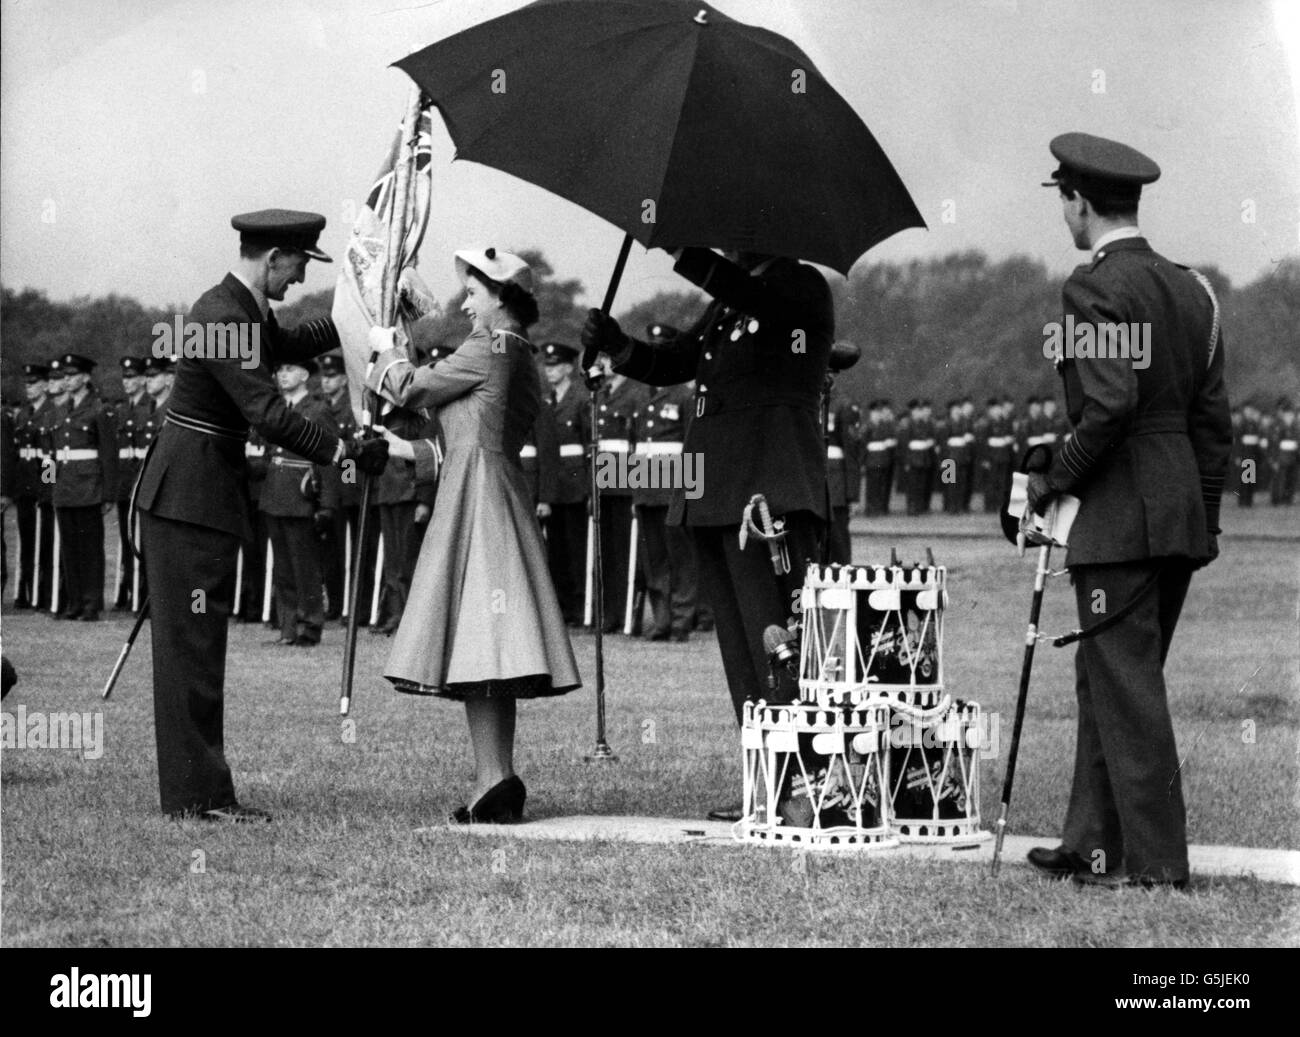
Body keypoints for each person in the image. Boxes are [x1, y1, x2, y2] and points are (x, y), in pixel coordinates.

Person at [134, 208, 389, 822]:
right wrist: (344, 449)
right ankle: (198, 797)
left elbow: (298, 342)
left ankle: (199, 791)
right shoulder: (223, 315)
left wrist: (370, 307)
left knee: (198, 646)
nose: (300, 278)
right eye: (300, 264)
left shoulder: (243, 310)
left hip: (196, 494)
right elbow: (268, 413)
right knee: (191, 651)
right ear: (273, 256)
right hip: (189, 499)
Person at [1026, 133, 1231, 889]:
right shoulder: (1192, 290)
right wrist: (1204, 520)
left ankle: (1157, 863)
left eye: (1063, 201)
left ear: (1079, 202)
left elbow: (1108, 408)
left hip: (1121, 517)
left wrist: (1052, 482)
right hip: (1176, 513)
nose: (1064, 215)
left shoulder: (1095, 288)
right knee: (1106, 675)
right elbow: (1213, 422)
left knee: (1127, 684)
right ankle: (1092, 841)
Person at [583, 245, 834, 821]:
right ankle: (765, 782)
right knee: (741, 649)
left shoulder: (797, 286)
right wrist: (618, 346)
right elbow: (679, 361)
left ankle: (805, 786)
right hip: (718, 491)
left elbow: (759, 303)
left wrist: (683, 250)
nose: (727, 240)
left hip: (769, 489)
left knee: (780, 643)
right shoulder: (731, 298)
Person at [368, 247, 580, 823]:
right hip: (482, 487)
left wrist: (382, 342)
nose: (464, 302)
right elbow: (457, 438)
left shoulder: (493, 346)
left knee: (484, 645)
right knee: (484, 650)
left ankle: (497, 777)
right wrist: (399, 449)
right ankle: (495, 780)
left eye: (474, 292)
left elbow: (408, 388)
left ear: (502, 297)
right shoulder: (508, 353)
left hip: (481, 498)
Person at [258, 357, 340, 647]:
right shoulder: (279, 408)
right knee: (282, 567)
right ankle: (288, 625)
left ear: (305, 374)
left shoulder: (318, 410)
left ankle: (310, 625)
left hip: (301, 493)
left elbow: (330, 458)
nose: (282, 374)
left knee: (304, 567)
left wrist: (327, 504)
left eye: (289, 368)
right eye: (280, 368)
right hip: (276, 492)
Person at [630, 323, 698, 641]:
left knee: (680, 557)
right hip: (645, 487)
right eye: (652, 347)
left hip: (675, 488)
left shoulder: (685, 394)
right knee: (653, 558)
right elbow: (635, 447)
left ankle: (682, 619)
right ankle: (662, 619)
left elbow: (693, 443)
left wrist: (690, 492)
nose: (656, 352)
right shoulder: (640, 396)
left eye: (662, 348)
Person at [51, 353, 117, 622]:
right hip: (64, 489)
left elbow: (109, 455)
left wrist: (109, 493)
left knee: (90, 550)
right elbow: (51, 454)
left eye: (72, 375)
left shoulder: (98, 410)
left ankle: (91, 603)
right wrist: (49, 486)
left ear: (86, 378)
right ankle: (74, 601)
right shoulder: (60, 410)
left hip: (89, 489)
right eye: (64, 376)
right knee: (70, 549)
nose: (67, 380)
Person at [539, 341, 590, 626]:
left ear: (569, 367)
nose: (550, 371)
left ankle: (583, 606)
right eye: (547, 365)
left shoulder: (581, 399)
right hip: (553, 488)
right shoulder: (546, 401)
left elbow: (589, 446)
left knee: (577, 551)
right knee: (556, 552)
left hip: (575, 485)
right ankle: (565, 608)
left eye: (556, 365)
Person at [12, 364, 57, 610]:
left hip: (42, 489)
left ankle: (43, 593)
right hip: (24, 488)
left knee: (45, 545)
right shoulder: (22, 414)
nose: (28, 388)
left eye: (33, 383)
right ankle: (25, 590)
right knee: (26, 542)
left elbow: (48, 456)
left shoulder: (50, 413)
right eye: (27, 384)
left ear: (44, 386)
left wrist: (47, 487)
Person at [112, 356, 151, 611]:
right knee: (127, 541)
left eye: (132, 378)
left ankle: (143, 593)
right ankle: (129, 590)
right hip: (125, 484)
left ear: (143, 379)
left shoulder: (150, 407)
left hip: (144, 484)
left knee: (144, 544)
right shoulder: (121, 410)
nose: (127, 383)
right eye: (124, 378)